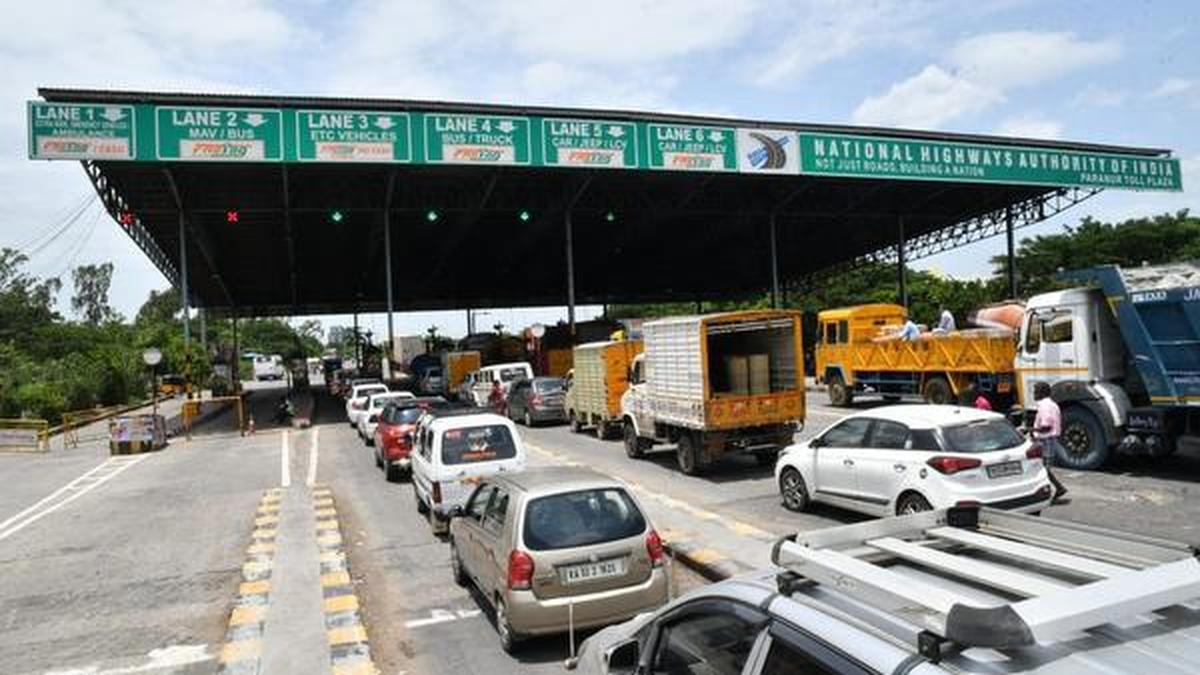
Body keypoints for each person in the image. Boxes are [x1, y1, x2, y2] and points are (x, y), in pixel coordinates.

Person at [1032, 382, 1069, 502]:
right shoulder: (1052, 404)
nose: (1034, 393)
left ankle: (1051, 492)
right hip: (1049, 440)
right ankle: (1059, 488)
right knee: (1043, 468)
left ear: (1041, 393)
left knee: (1042, 470)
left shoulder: (1044, 406)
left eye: (1036, 391)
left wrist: (1030, 429)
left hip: (1046, 440)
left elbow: (1046, 427)